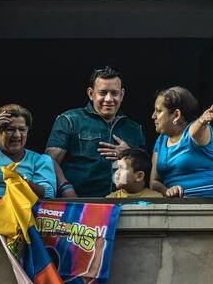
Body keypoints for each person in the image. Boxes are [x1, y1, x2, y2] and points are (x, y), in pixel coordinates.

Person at [46, 66, 146, 198]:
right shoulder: (69, 120)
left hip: (122, 203)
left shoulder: (134, 128)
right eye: (103, 93)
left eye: (114, 93)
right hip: (79, 202)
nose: (109, 99)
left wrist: (129, 154)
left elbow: (145, 172)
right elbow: (49, 161)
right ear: (90, 94)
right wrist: (66, 188)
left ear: (122, 95)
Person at [149, 86, 213, 199]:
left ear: (176, 115)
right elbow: (154, 182)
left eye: (159, 111)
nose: (153, 116)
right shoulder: (160, 141)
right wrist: (167, 190)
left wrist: (201, 121)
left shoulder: (199, 131)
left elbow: (194, 131)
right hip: (177, 205)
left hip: (211, 203)